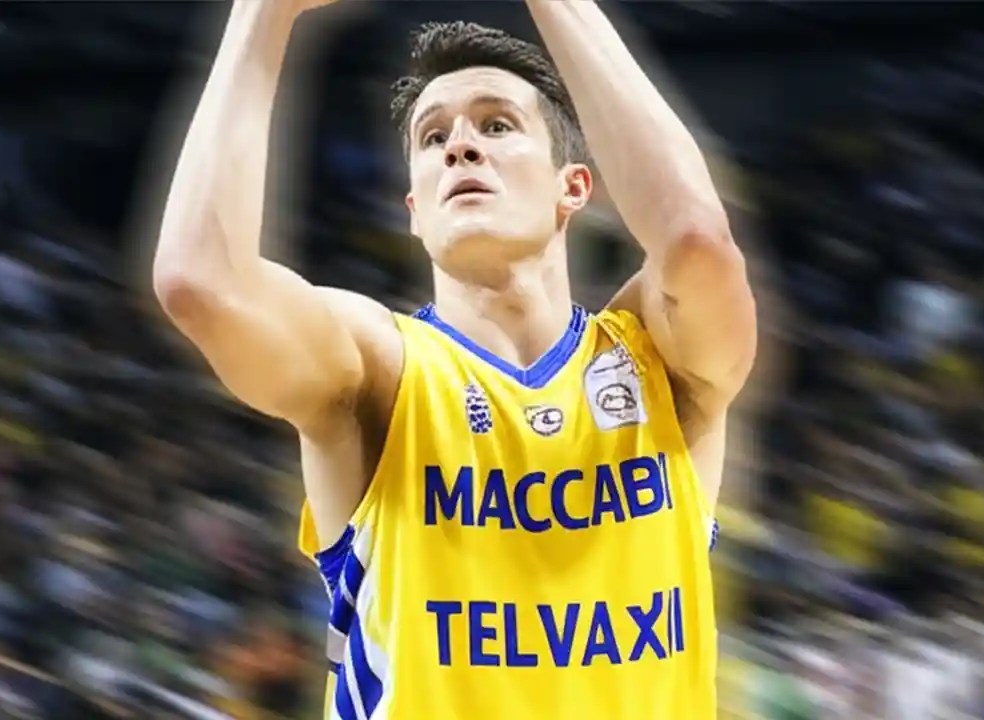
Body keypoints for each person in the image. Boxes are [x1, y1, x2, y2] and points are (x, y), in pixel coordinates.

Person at [151, 0, 756, 717]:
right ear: (414, 209)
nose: (460, 147)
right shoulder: (381, 370)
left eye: (497, 124)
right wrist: (264, 13)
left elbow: (695, 238)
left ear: (574, 187)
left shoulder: (658, 359)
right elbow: (200, 280)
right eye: (433, 137)